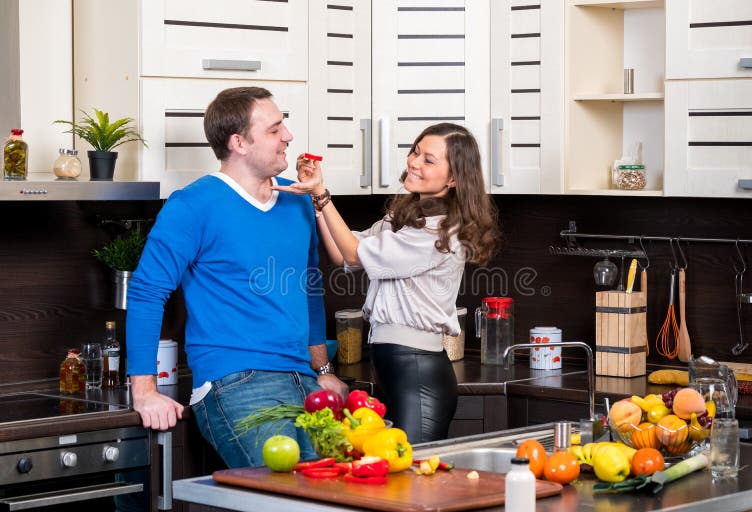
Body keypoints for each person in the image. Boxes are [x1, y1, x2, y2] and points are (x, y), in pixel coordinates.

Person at [126, 86, 348, 467]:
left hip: (302, 382)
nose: (289, 137)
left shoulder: (297, 201)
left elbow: (309, 286)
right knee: (287, 501)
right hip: (236, 381)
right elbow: (147, 293)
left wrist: (322, 369)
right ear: (239, 143)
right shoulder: (192, 205)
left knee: (340, 495)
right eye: (276, 129)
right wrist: (144, 391)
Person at [275, 123, 500, 443]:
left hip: (418, 370)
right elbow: (344, 253)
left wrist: (322, 195)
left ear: (453, 179)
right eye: (415, 151)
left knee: (411, 481)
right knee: (392, 478)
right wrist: (316, 199)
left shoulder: (439, 232)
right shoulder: (405, 218)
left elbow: (353, 256)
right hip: (395, 365)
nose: (414, 161)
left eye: (429, 160)